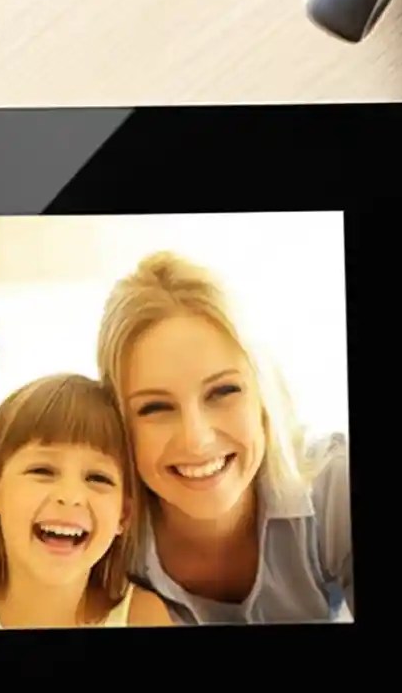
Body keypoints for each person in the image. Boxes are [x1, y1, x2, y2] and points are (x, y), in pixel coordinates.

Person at [96, 251, 353, 625]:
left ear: (263, 394)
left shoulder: (332, 489)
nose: (197, 440)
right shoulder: (103, 541)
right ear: (119, 424)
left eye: (223, 392)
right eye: (155, 408)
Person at [0, 373, 174, 629]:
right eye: (43, 471)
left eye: (98, 478)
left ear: (124, 514)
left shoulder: (143, 616)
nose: (70, 497)